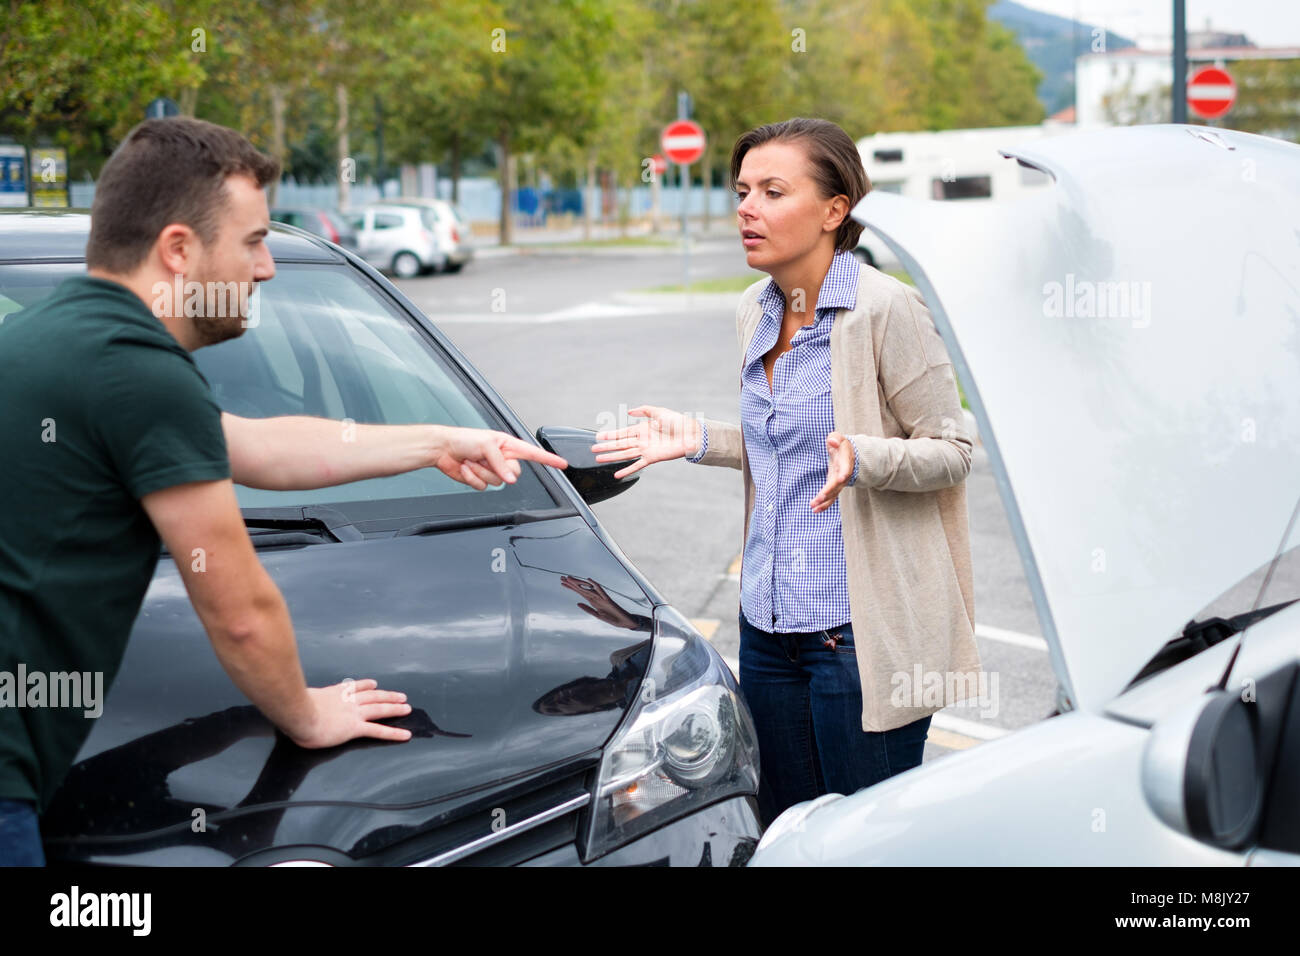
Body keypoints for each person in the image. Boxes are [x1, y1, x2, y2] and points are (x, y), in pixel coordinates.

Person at [0, 117, 568, 866]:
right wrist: (304, 713)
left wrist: (437, 442)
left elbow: (253, 446)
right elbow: (239, 611)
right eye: (254, 240)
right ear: (178, 248)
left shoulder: (54, 337)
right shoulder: (135, 372)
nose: (265, 268)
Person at [591, 117, 981, 828]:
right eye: (742, 190)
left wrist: (867, 459)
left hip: (856, 640)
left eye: (773, 191)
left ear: (835, 211)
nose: (747, 208)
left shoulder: (885, 309)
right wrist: (697, 438)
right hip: (768, 631)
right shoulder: (755, 309)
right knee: (783, 832)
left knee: (864, 838)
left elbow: (955, 449)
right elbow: (788, 443)